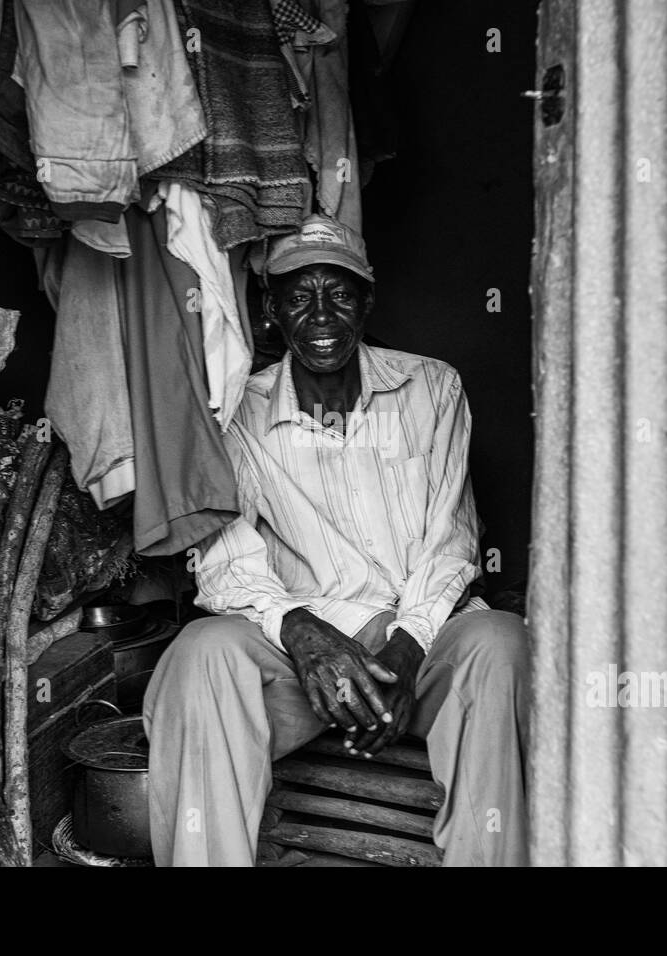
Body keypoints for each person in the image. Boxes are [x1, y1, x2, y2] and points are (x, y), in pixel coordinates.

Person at [142, 215, 529, 866]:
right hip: (303, 660)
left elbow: (453, 543)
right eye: (299, 296)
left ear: (367, 300)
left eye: (340, 294)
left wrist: (407, 648)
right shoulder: (240, 413)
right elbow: (224, 556)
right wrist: (300, 630)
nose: (321, 316)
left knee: (501, 644)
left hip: (422, 641)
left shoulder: (431, 388)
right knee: (198, 656)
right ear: (271, 310)